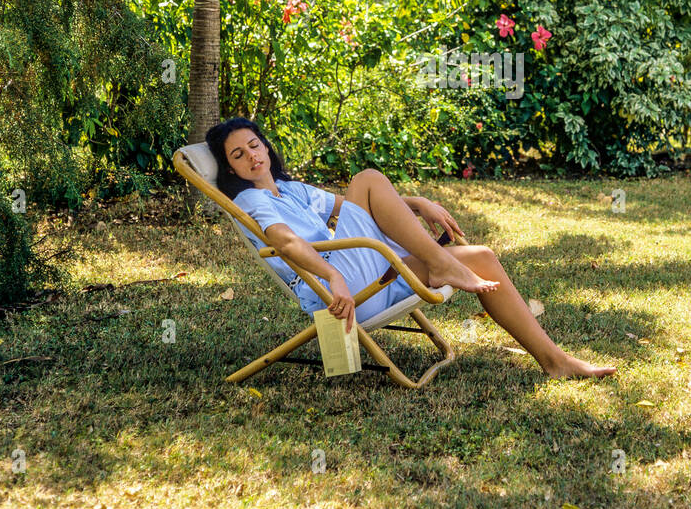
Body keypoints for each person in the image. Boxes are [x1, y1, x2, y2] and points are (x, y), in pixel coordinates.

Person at [205, 117, 615, 379]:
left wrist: (416, 204)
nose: (251, 156)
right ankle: (438, 263)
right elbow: (286, 241)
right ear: (231, 169)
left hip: (365, 268)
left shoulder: (290, 189)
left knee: (483, 258)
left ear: (265, 146)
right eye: (238, 155)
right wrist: (332, 277)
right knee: (367, 178)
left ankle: (554, 360)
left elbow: (352, 208)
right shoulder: (250, 201)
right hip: (343, 289)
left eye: (254, 145)